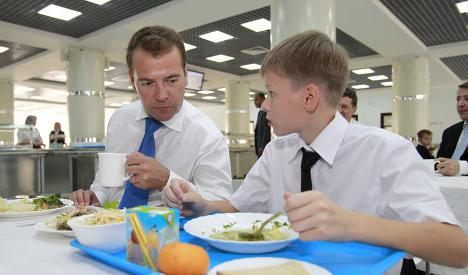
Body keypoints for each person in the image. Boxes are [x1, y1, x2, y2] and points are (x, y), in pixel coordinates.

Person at [163, 30, 468, 269]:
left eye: (272, 93)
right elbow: (237, 207)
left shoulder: (387, 151)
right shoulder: (277, 151)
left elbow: (456, 248)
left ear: (309, 97)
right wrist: (202, 205)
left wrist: (352, 224)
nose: (265, 105)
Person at [70, 26, 232, 207]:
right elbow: (106, 183)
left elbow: (220, 204)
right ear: (132, 80)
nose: (162, 95)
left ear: (186, 75)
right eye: (148, 83)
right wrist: (96, 196)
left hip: (171, 232)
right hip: (112, 226)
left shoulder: (207, 136)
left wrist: (167, 180)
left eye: (171, 80)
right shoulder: (120, 120)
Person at [436, 82, 468, 176]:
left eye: (467, 99)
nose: (460, 104)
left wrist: (461, 167)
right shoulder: (449, 132)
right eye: (458, 99)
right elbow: (439, 161)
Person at [254, 93, 271, 157]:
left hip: (263, 147)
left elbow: (266, 131)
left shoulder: (265, 112)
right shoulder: (260, 112)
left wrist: (262, 146)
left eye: (256, 100)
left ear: (263, 99)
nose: (255, 102)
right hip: (260, 146)